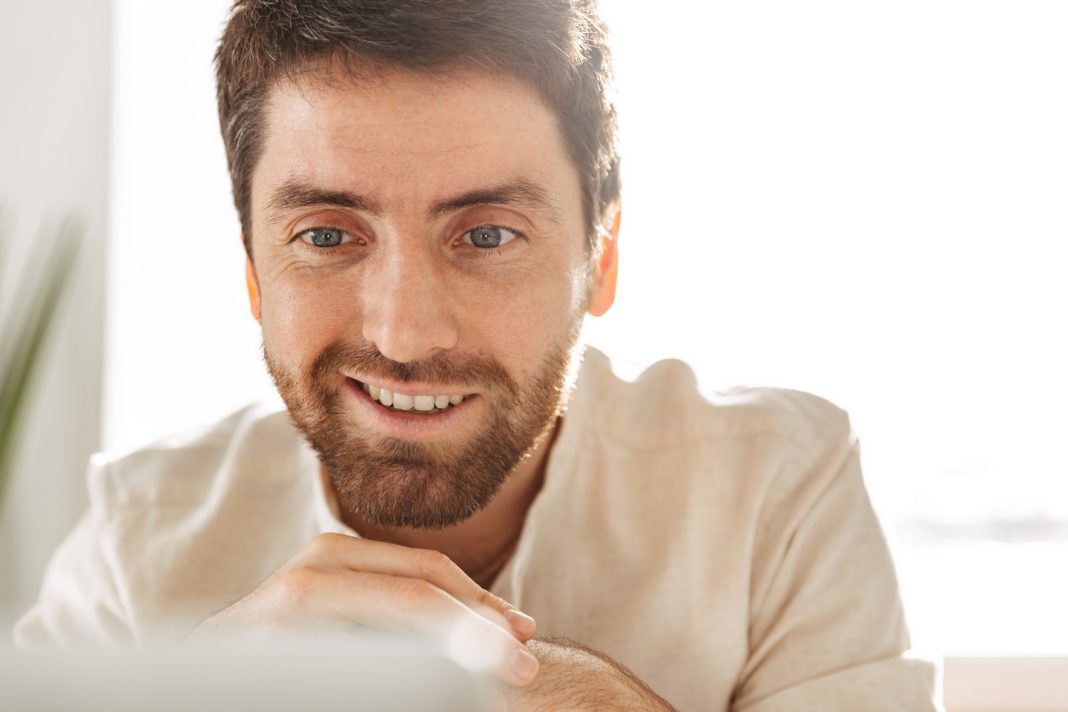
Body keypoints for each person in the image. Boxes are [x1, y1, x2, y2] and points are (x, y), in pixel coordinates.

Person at [15, 1, 940, 709]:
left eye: (488, 235)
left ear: (600, 262)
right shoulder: (139, 542)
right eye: (328, 237)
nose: (405, 334)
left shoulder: (776, 492)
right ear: (256, 274)